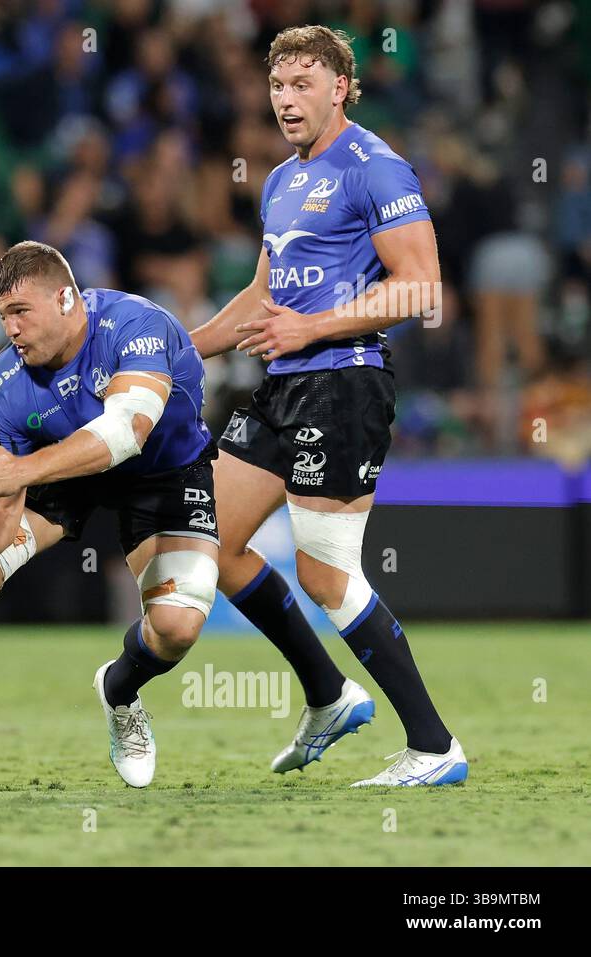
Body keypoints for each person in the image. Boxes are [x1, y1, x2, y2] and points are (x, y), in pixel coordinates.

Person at [190, 26, 466, 787]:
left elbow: (419, 285)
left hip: (343, 381)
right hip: (283, 385)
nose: (286, 99)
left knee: (327, 573)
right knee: (207, 540)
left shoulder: (375, 166)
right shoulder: (281, 180)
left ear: (340, 87)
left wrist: (311, 325)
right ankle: (329, 693)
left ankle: (435, 745)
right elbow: (262, 296)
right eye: (278, 85)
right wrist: (181, 350)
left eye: (303, 83)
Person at [0, 240, 219, 794]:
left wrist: (22, 470)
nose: (10, 330)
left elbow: (125, 431)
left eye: (20, 312)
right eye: (1, 316)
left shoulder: (134, 323)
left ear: (65, 298)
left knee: (177, 629)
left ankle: (119, 690)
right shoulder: (1, 383)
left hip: (164, 473)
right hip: (65, 473)